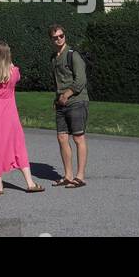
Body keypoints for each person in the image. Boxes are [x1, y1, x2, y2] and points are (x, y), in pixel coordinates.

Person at [0, 42, 43, 195]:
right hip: (9, 113)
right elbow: (15, 70)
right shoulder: (13, 72)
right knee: (18, 145)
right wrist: (5, 56)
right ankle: (29, 182)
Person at [50, 24, 89, 188]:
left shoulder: (73, 55)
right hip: (61, 103)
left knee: (78, 137)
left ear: (65, 36)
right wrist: (57, 99)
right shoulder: (54, 57)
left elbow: (80, 80)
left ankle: (79, 177)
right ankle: (68, 175)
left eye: (61, 35)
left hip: (76, 101)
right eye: (55, 37)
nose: (59, 39)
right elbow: (57, 82)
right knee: (62, 138)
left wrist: (66, 94)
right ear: (51, 39)